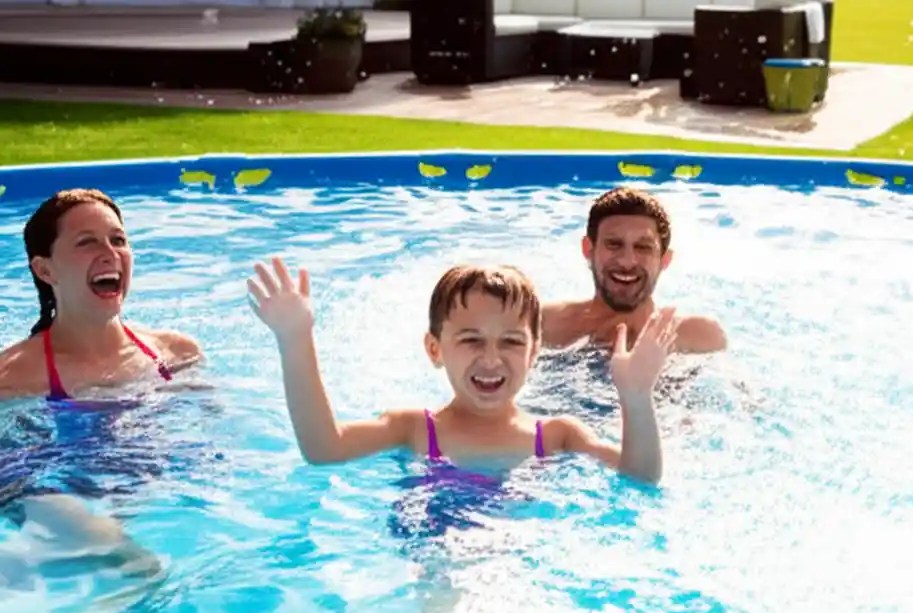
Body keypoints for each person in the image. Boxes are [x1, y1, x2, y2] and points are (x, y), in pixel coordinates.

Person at [247, 257, 677, 483]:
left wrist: (636, 398)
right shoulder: (412, 429)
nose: (491, 359)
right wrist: (294, 339)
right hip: (437, 569)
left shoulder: (559, 436)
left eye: (511, 342)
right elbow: (324, 449)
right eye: (471, 340)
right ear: (435, 349)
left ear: (534, 352)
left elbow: (640, 477)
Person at [0, 188, 203, 401]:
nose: (110, 253)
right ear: (45, 270)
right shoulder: (12, 380)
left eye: (118, 240)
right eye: (87, 242)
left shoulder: (179, 355)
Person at [540, 187, 727, 354]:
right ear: (588, 250)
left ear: (664, 260)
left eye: (643, 247)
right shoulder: (543, 325)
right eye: (614, 244)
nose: (627, 261)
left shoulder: (699, 338)